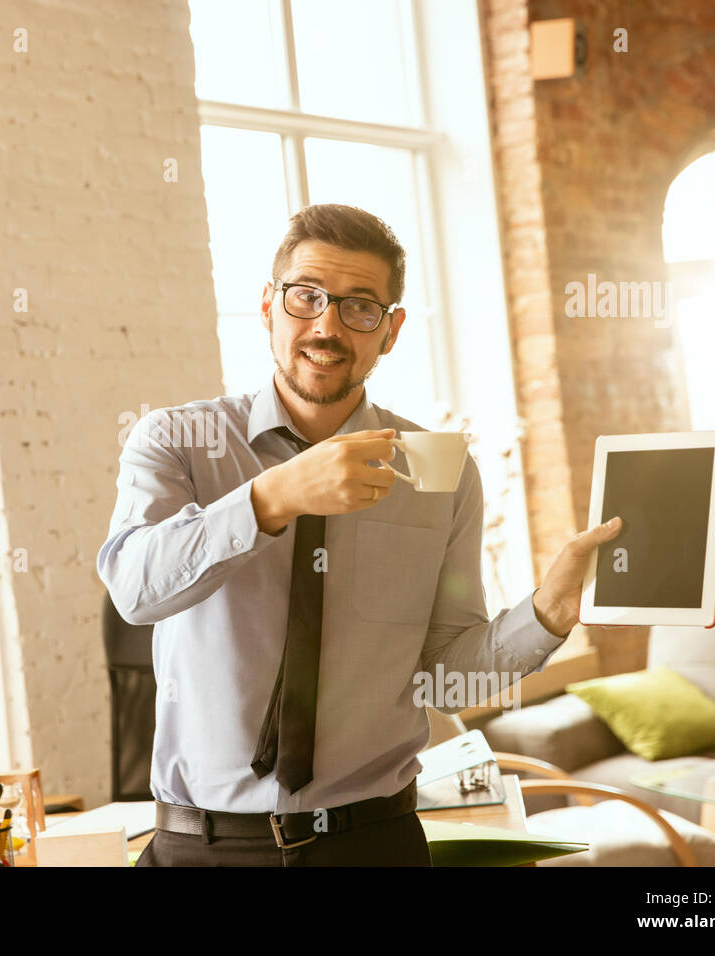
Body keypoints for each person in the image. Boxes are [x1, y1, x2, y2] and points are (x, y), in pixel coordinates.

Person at [97, 203, 621, 866]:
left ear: (391, 329)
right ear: (267, 306)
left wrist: (546, 615)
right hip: (202, 848)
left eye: (359, 307)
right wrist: (274, 497)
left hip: (373, 844)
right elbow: (135, 591)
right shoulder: (178, 441)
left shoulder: (439, 468)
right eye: (306, 297)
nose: (327, 326)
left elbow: (441, 674)